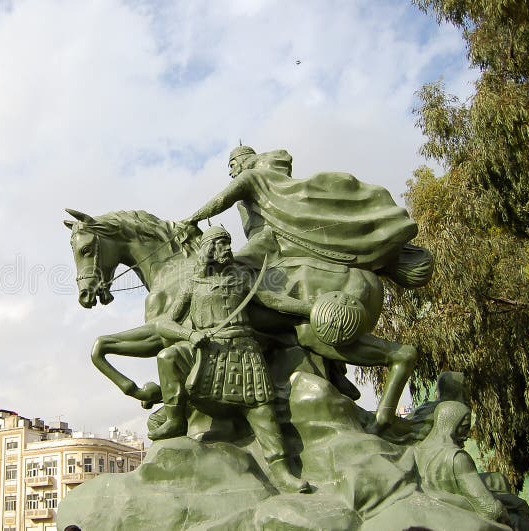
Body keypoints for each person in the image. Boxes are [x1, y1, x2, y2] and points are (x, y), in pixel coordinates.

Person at [179, 145, 434, 432]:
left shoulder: (251, 178)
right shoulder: (272, 183)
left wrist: (191, 219)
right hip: (276, 247)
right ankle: (334, 373)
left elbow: (220, 200)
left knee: (230, 276)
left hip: (267, 246)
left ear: (243, 160)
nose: (231, 171)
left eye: (232, 165)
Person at [150, 225, 312, 493]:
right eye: (222, 243)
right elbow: (164, 324)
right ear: (209, 249)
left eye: (228, 243)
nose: (228, 248)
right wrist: (190, 335)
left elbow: (272, 300)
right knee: (168, 356)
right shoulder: (192, 283)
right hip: (205, 349)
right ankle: (175, 419)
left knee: (262, 410)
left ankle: (282, 471)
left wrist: (309, 308)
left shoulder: (240, 278)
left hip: (242, 349)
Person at [414, 401, 507, 524]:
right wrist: (504, 511)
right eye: (465, 427)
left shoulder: (415, 451)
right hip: (460, 520)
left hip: (432, 517)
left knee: (498, 480)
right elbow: (490, 511)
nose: (468, 435)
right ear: (452, 425)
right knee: (519, 506)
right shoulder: (457, 458)